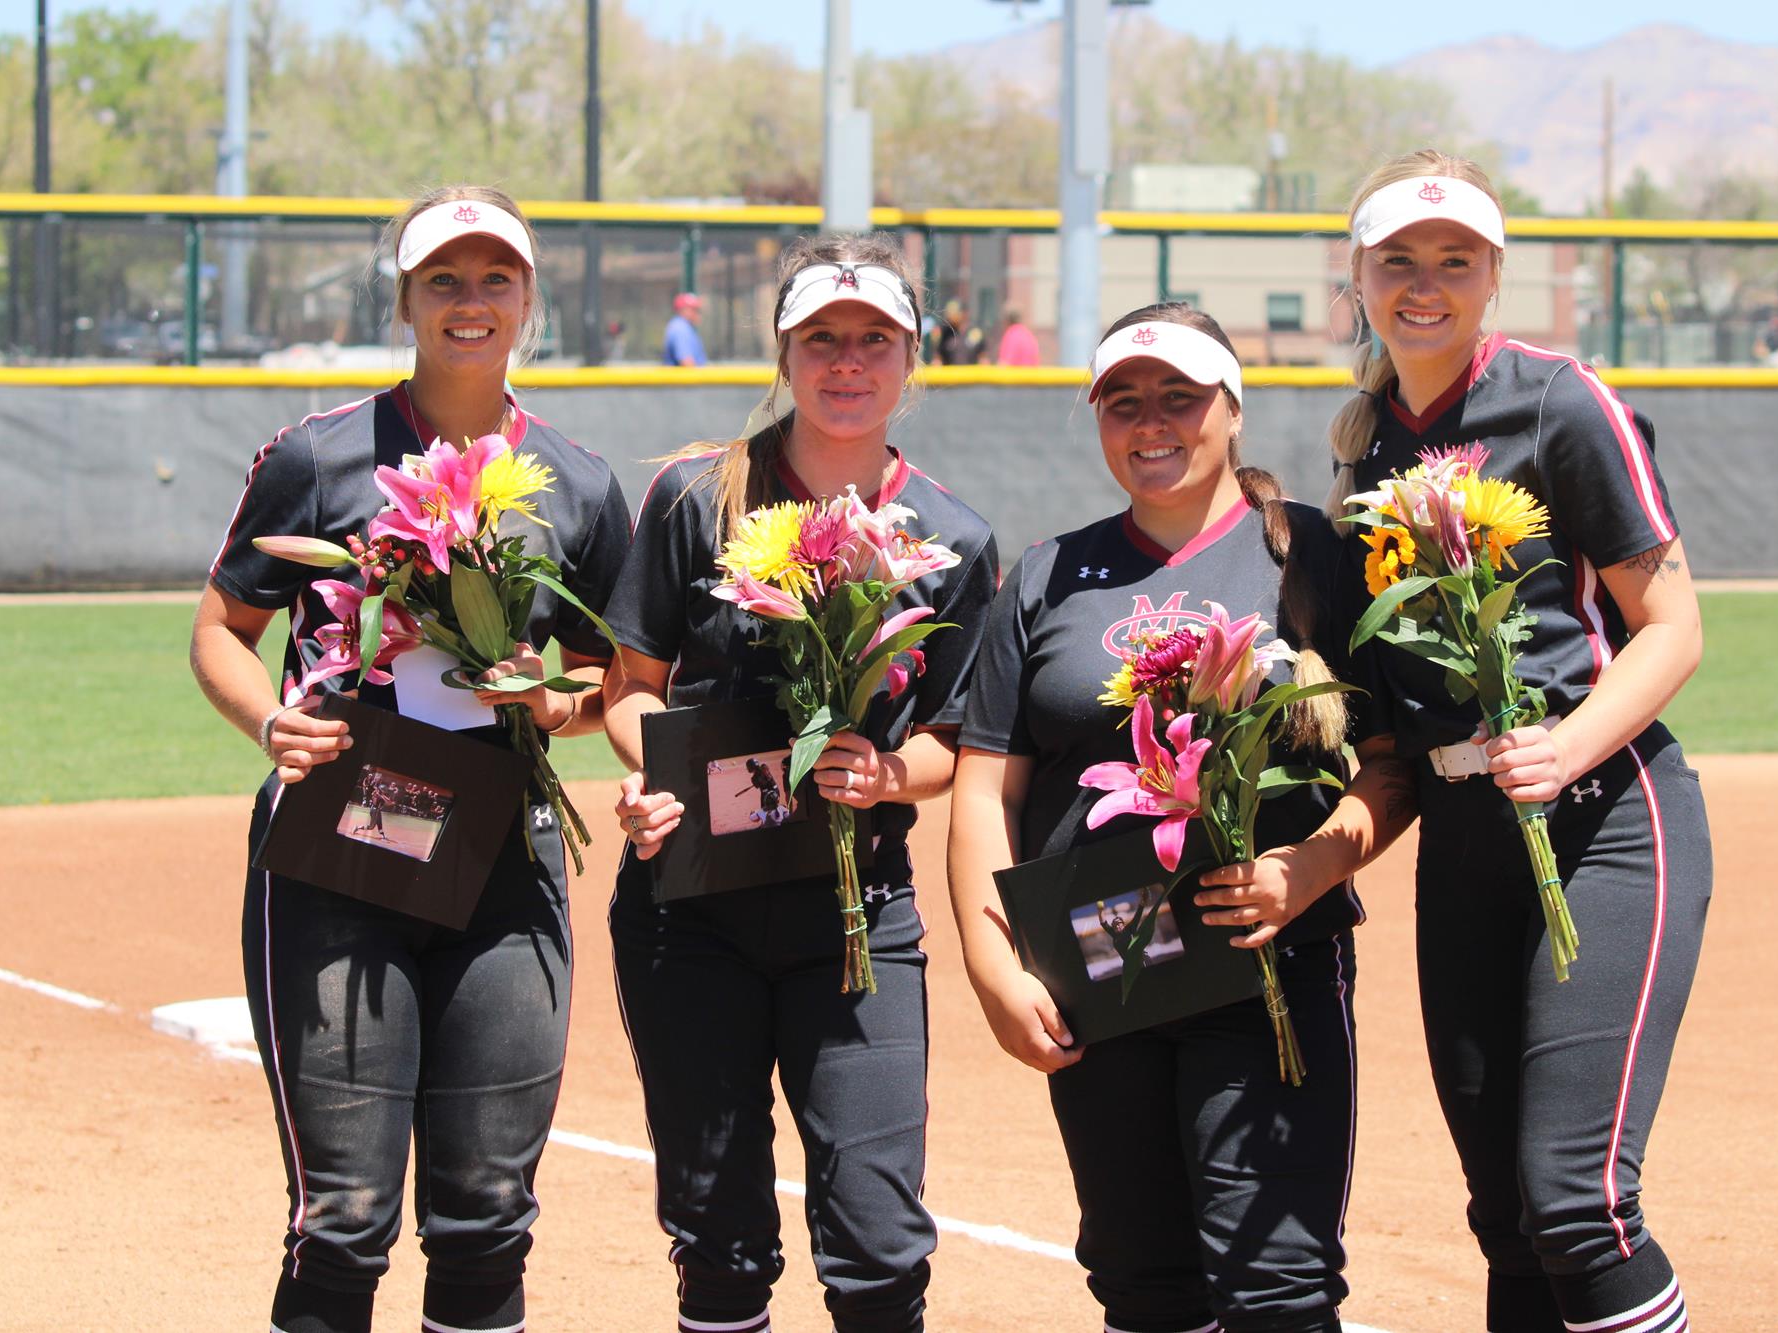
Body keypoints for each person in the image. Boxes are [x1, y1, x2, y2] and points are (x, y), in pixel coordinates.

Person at [190, 185, 633, 1333]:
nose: (469, 300)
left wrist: (549, 699)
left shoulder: (576, 483)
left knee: (487, 1215)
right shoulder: (320, 455)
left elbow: (615, 678)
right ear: (404, 300)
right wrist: (269, 722)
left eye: (495, 278)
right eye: (443, 278)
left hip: (505, 853)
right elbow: (221, 630)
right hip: (345, 836)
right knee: (343, 1215)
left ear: (528, 300)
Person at [1300, 149, 1713, 1332]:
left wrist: (1569, 744)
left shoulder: (1558, 403)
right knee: (1508, 1221)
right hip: (1465, 847)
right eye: (1396, 261)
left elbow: (1672, 628)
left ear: (1493, 276)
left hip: (1602, 822)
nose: (1422, 284)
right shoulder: (1363, 450)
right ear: (1356, 277)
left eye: (1453, 260)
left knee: (1576, 1204)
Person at [947, 302, 1373, 1333]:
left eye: (1180, 397)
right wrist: (994, 970)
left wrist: (1309, 870)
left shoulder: (1311, 556)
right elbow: (985, 789)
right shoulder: (1047, 574)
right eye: (1123, 402)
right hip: (1103, 962)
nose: (1151, 422)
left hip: (1265, 960)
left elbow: (1396, 764)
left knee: (1277, 1287)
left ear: (1232, 409)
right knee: (1144, 1288)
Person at [601, 233, 999, 1333]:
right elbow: (628, 686)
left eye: (874, 338)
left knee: (878, 1245)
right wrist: (653, 774)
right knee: (719, 1240)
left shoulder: (951, 538)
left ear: (911, 359)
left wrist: (886, 771)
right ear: (783, 354)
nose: (846, 361)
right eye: (820, 337)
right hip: (692, 912)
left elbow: (955, 740)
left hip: (855, 916)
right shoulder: (699, 495)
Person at [664, 291, 707, 367]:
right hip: (686, 375)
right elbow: (687, 363)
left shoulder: (684, 326)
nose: (698, 314)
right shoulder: (681, 328)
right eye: (696, 310)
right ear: (684, 310)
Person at [935, 296, 982, 365]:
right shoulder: (944, 333)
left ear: (964, 313)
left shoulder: (975, 333)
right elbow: (938, 359)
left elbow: (982, 359)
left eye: (954, 313)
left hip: (971, 372)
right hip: (950, 372)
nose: (950, 316)